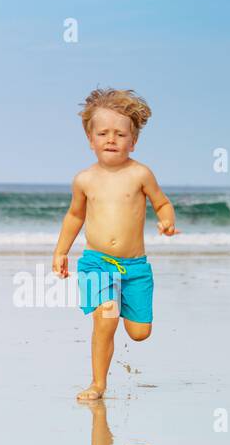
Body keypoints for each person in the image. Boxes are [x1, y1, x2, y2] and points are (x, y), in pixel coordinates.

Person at [52, 88, 177, 399]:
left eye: (120, 134)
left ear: (132, 141)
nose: (111, 139)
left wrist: (166, 220)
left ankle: (120, 304)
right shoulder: (84, 179)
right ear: (90, 139)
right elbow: (74, 216)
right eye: (103, 133)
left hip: (135, 267)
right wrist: (61, 251)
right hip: (97, 263)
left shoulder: (140, 174)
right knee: (106, 319)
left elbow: (162, 203)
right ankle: (98, 384)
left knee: (139, 334)